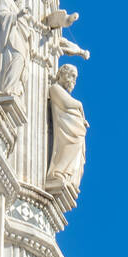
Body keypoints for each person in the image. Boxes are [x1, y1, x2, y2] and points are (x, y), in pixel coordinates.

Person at [46, 65, 87, 193]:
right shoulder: (55, 88)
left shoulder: (61, 91)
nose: (74, 80)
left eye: (75, 77)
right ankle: (58, 171)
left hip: (72, 131)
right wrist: (79, 105)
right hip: (67, 131)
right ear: (62, 74)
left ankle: (67, 175)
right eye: (72, 75)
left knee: (77, 147)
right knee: (69, 147)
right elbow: (66, 103)